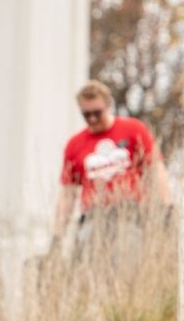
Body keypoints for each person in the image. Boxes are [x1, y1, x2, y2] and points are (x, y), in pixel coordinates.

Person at [54, 80, 172, 246]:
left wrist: (166, 205)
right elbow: (68, 194)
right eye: (86, 115)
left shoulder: (133, 130)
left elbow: (155, 168)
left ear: (108, 105)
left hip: (130, 215)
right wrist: (57, 235)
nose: (93, 119)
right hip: (93, 217)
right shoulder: (75, 144)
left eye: (97, 112)